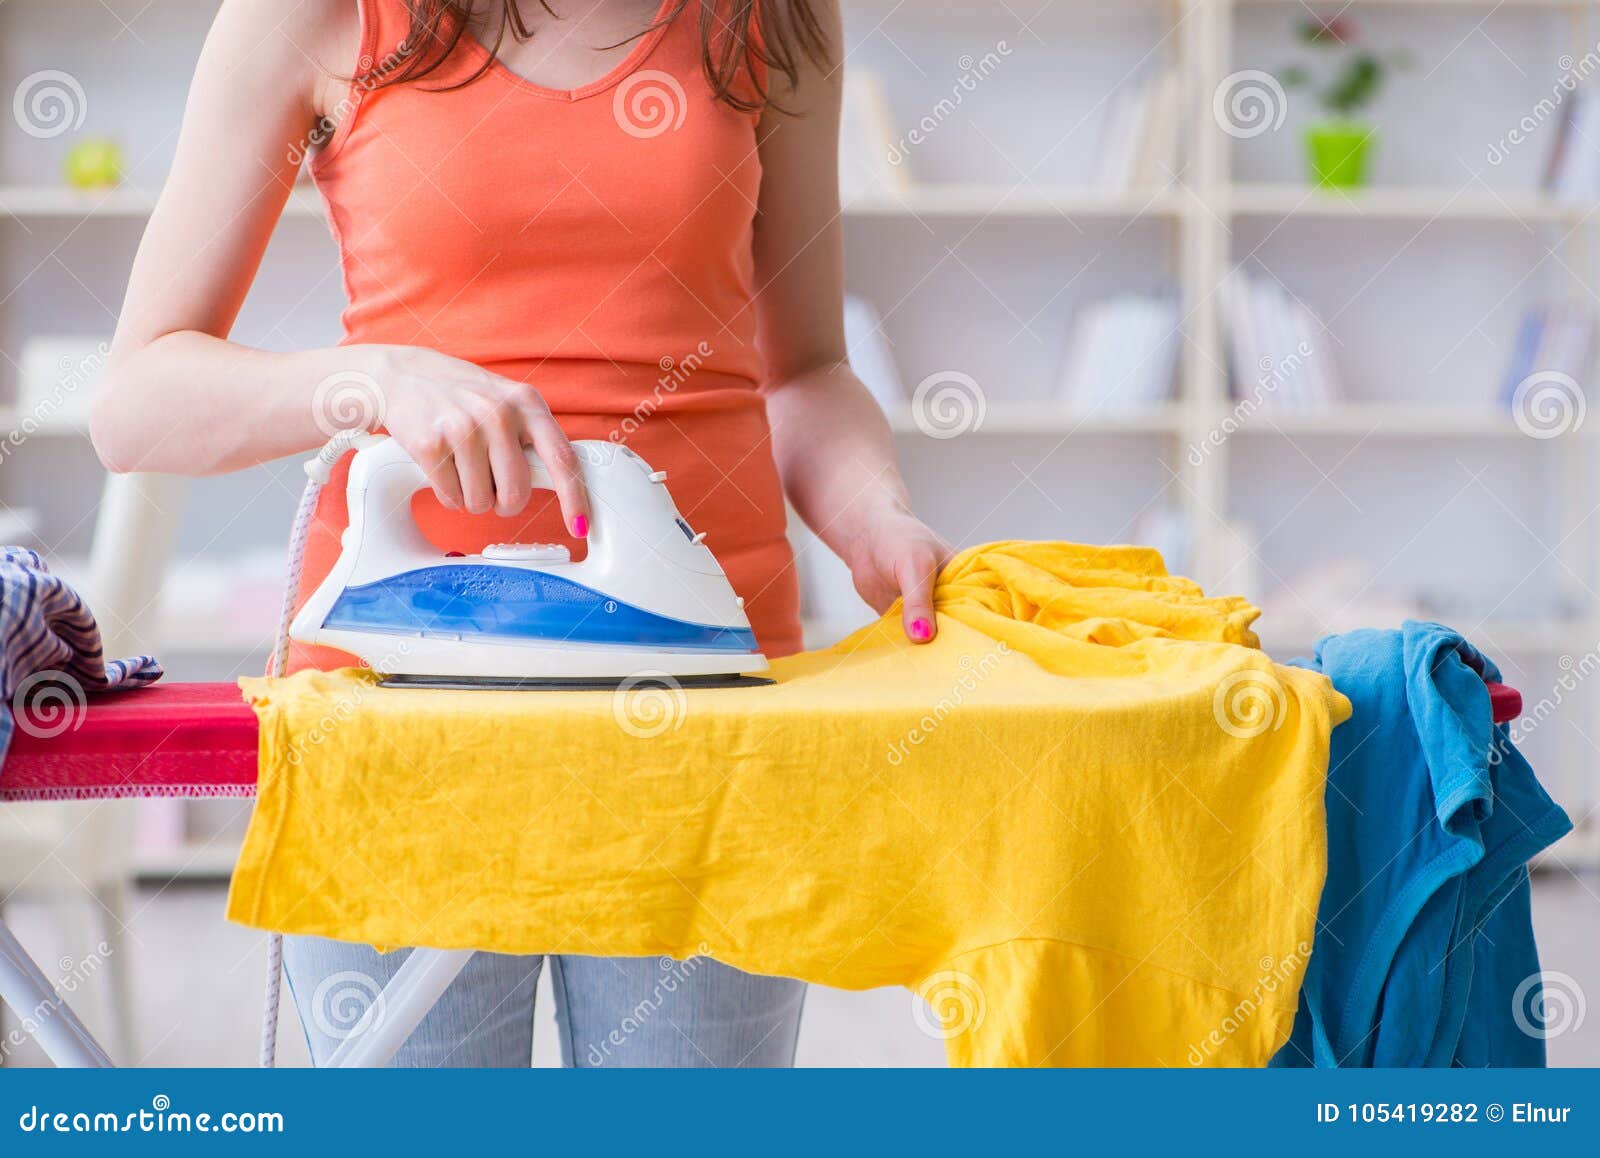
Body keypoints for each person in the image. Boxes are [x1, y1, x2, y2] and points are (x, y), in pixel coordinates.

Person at [91, 0, 949, 1068]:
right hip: (398, 729)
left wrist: (875, 517)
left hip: (710, 722)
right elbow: (135, 400)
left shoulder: (768, 16)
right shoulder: (311, 15)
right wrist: (373, 379)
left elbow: (808, 370)